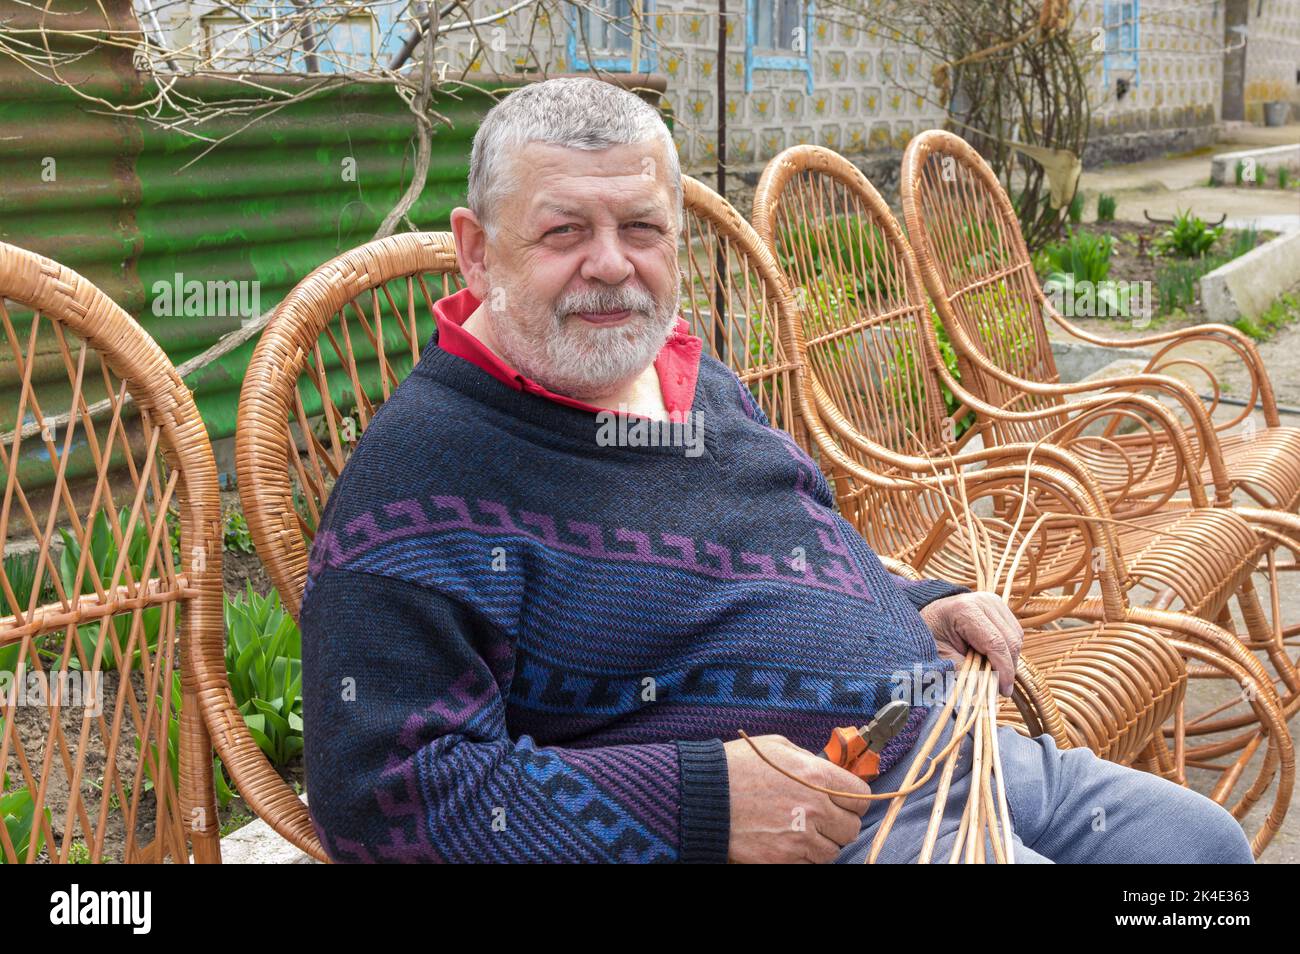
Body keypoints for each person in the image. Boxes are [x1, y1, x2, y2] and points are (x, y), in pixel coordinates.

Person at [298, 76, 1252, 864]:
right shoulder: (418, 485)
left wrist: (918, 602)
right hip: (821, 828)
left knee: (1201, 853)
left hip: (949, 749)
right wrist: (700, 803)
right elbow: (386, 799)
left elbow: (790, 552)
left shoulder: (691, 378)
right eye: (563, 233)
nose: (611, 266)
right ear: (474, 250)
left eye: (642, 229)